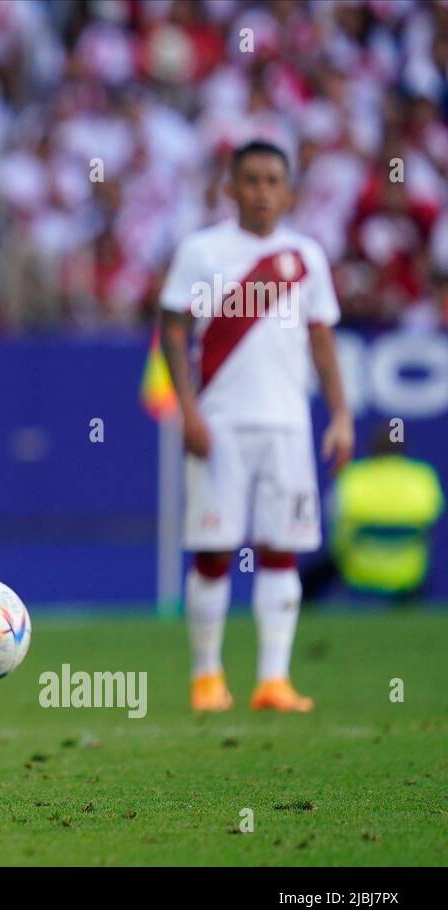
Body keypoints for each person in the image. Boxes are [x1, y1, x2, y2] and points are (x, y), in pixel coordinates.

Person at [158, 140, 354, 714]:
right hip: (219, 423)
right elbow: (172, 330)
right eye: (251, 180)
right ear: (231, 188)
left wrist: (339, 415)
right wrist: (187, 410)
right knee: (214, 550)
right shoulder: (202, 251)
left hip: (288, 426)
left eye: (273, 180)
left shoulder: (307, 257)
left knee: (282, 548)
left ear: (289, 191)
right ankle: (206, 677)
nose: (262, 191)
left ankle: (274, 679)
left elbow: (321, 338)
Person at [303, 430, 444, 600]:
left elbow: (329, 516)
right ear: (403, 450)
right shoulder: (422, 477)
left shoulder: (353, 476)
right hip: (407, 573)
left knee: (312, 575)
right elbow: (432, 520)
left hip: (358, 569)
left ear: (372, 448)